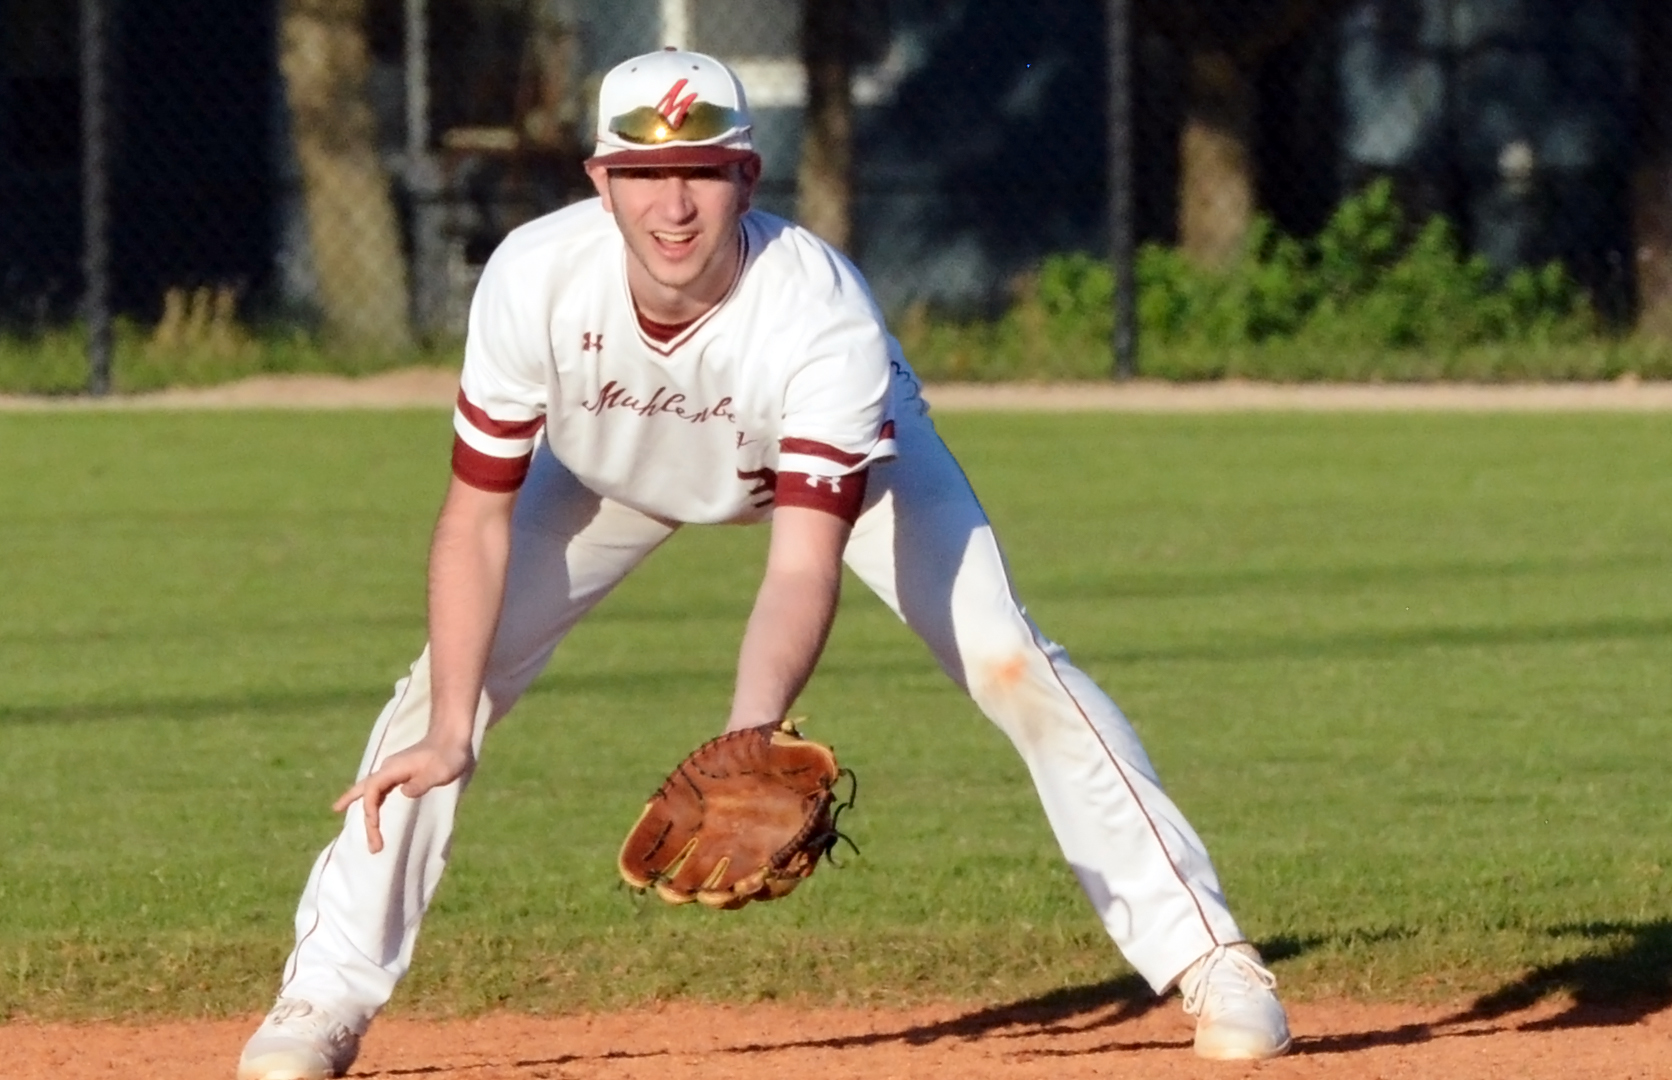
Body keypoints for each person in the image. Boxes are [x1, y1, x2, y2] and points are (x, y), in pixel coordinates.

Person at [236, 48, 1291, 1080]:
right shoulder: (534, 278)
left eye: (700, 171)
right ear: (601, 181)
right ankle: (323, 995)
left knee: (1013, 661)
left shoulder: (820, 314)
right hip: (610, 472)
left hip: (842, 472)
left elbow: (799, 564)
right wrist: (455, 724)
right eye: (644, 176)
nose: (673, 204)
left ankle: (1212, 958)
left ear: (748, 174)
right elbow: (475, 518)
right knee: (435, 700)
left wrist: (748, 738)